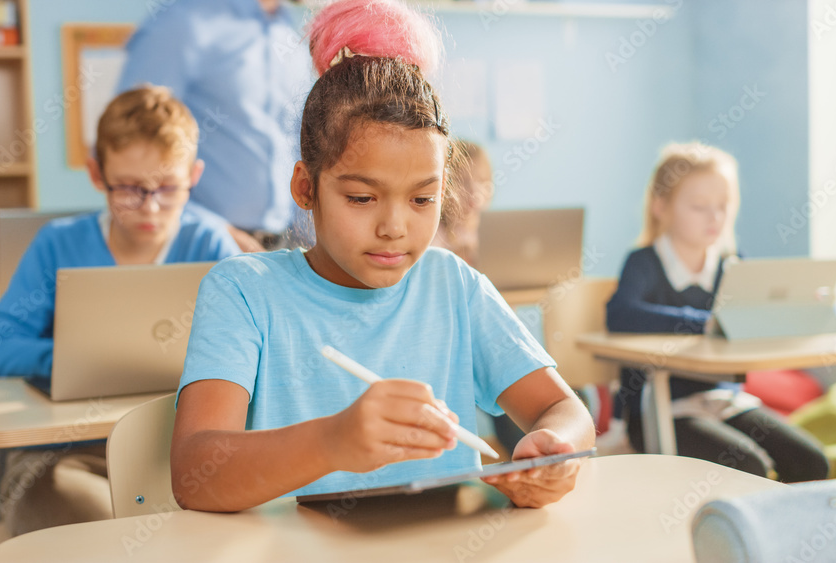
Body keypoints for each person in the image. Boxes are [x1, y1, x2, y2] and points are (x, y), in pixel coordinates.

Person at [172, 0, 595, 513]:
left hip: (442, 544)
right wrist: (332, 442)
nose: (394, 227)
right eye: (361, 198)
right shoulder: (243, 290)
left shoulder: (453, 286)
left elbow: (563, 407)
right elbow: (194, 475)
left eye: (422, 199)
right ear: (305, 187)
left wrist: (557, 450)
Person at [0, 86, 241, 537]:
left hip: (174, 455)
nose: (150, 206)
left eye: (167, 188)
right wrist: (74, 361)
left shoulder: (212, 244)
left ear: (193, 176)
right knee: (74, 518)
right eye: (131, 188)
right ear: (97, 173)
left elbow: (250, 349)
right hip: (67, 458)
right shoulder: (58, 244)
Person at [606, 142, 829, 482]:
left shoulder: (731, 266)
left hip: (724, 402)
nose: (715, 217)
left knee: (811, 461)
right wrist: (704, 323)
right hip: (660, 411)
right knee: (747, 467)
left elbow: (756, 317)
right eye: (699, 206)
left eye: (723, 206)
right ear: (660, 207)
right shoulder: (643, 263)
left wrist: (804, 306)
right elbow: (620, 314)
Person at [117, 0, 313, 252]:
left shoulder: (289, 30)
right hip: (199, 246)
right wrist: (211, 230)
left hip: (286, 245)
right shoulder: (180, 23)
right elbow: (126, 147)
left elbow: (295, 141)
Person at [432, 140, 494, 266]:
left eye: (482, 181)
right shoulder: (434, 231)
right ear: (445, 184)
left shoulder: (483, 228)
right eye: (463, 181)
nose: (474, 191)